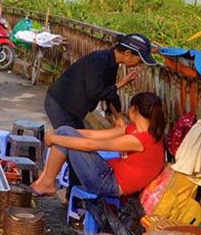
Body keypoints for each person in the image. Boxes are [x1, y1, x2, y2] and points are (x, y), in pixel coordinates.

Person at [30, 91, 166, 197]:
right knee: (64, 131)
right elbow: (93, 134)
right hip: (107, 173)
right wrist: (58, 133)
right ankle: (45, 182)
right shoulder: (134, 130)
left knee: (64, 136)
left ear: (134, 109)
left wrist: (54, 139)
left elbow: (90, 145)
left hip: (108, 184)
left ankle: (47, 183)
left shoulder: (140, 140)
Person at [44, 33, 158, 130]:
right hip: (60, 105)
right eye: (139, 60)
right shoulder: (99, 61)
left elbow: (110, 93)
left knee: (74, 144)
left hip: (72, 108)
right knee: (69, 145)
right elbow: (94, 93)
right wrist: (122, 83)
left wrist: (118, 117)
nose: (139, 64)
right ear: (127, 53)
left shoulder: (112, 62)